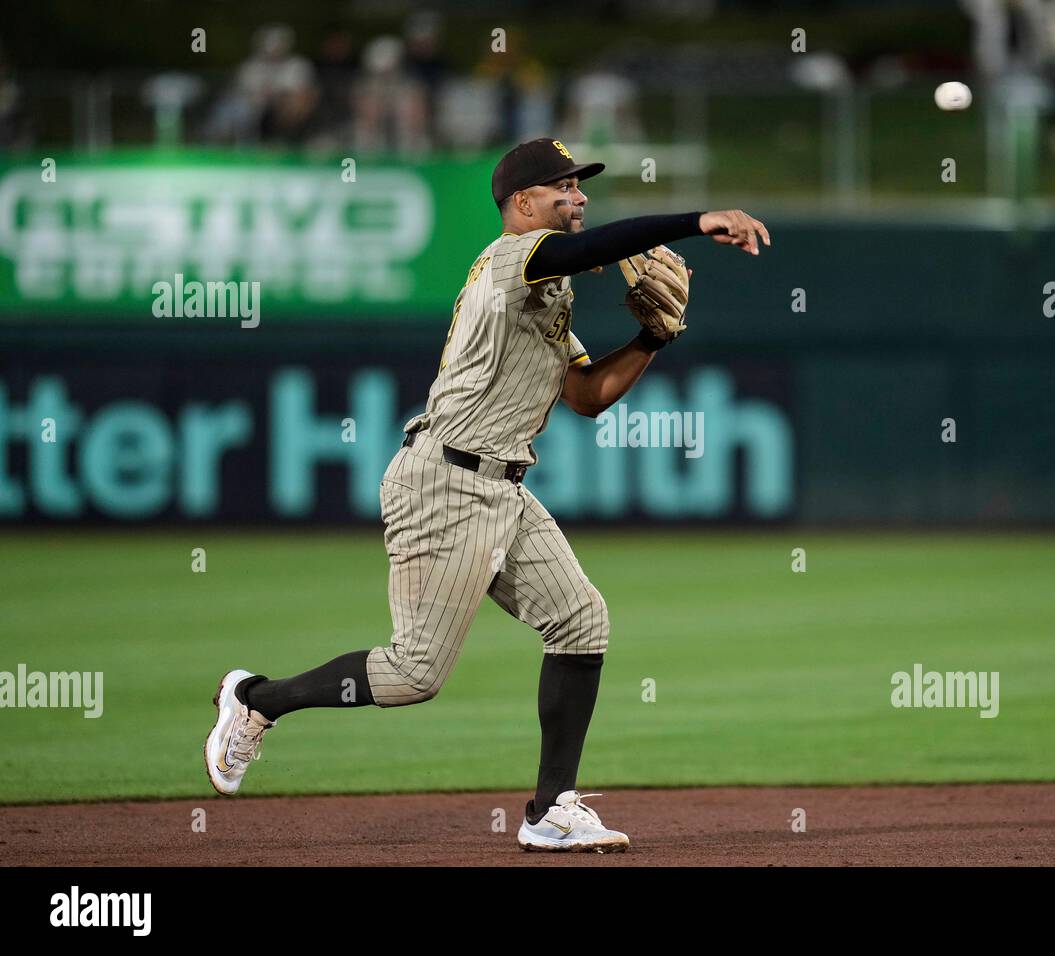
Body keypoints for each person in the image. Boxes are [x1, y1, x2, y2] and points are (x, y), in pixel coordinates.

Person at [204, 137, 769, 852]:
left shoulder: (548, 291)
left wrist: (651, 338)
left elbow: (588, 395)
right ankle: (255, 700)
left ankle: (550, 810)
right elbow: (587, 251)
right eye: (564, 186)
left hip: (504, 487)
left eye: (581, 185)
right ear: (522, 203)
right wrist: (697, 219)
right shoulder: (511, 260)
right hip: (445, 482)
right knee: (415, 673)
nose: (580, 197)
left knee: (581, 622)